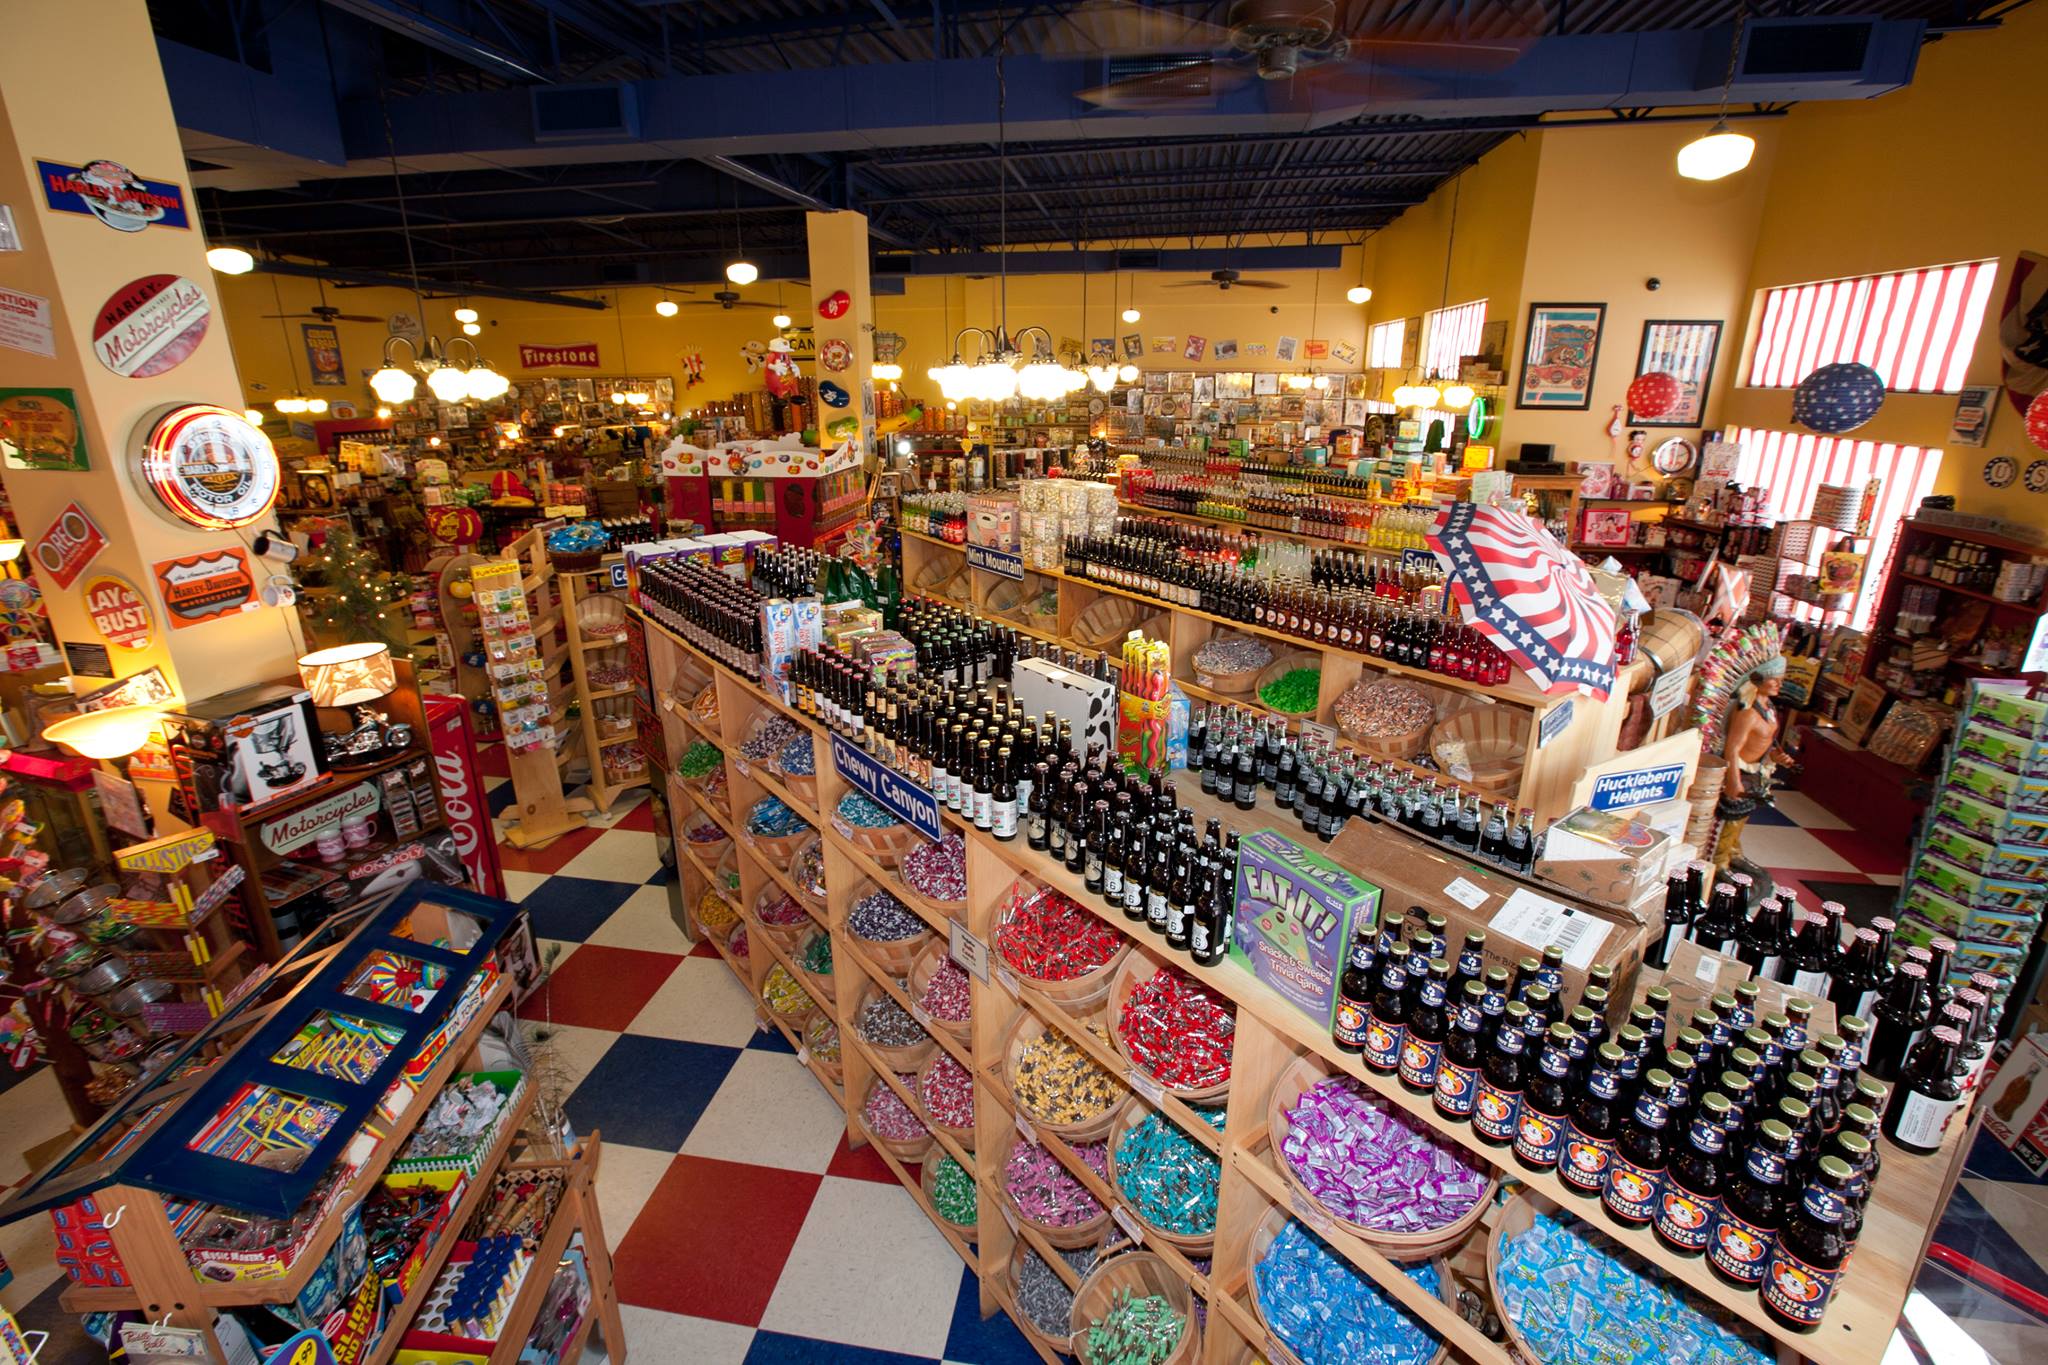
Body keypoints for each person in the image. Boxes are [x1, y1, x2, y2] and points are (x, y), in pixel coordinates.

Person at [1713, 650, 1789, 883]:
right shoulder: (1747, 712)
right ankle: (1720, 861)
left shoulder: (1768, 709)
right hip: (1742, 769)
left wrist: (1778, 756)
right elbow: (1733, 748)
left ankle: (1734, 852)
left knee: (1745, 814)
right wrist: (1733, 779)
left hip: (1758, 769)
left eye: (1780, 678)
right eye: (1773, 679)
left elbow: (1767, 740)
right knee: (1733, 816)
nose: (1779, 684)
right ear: (1758, 680)